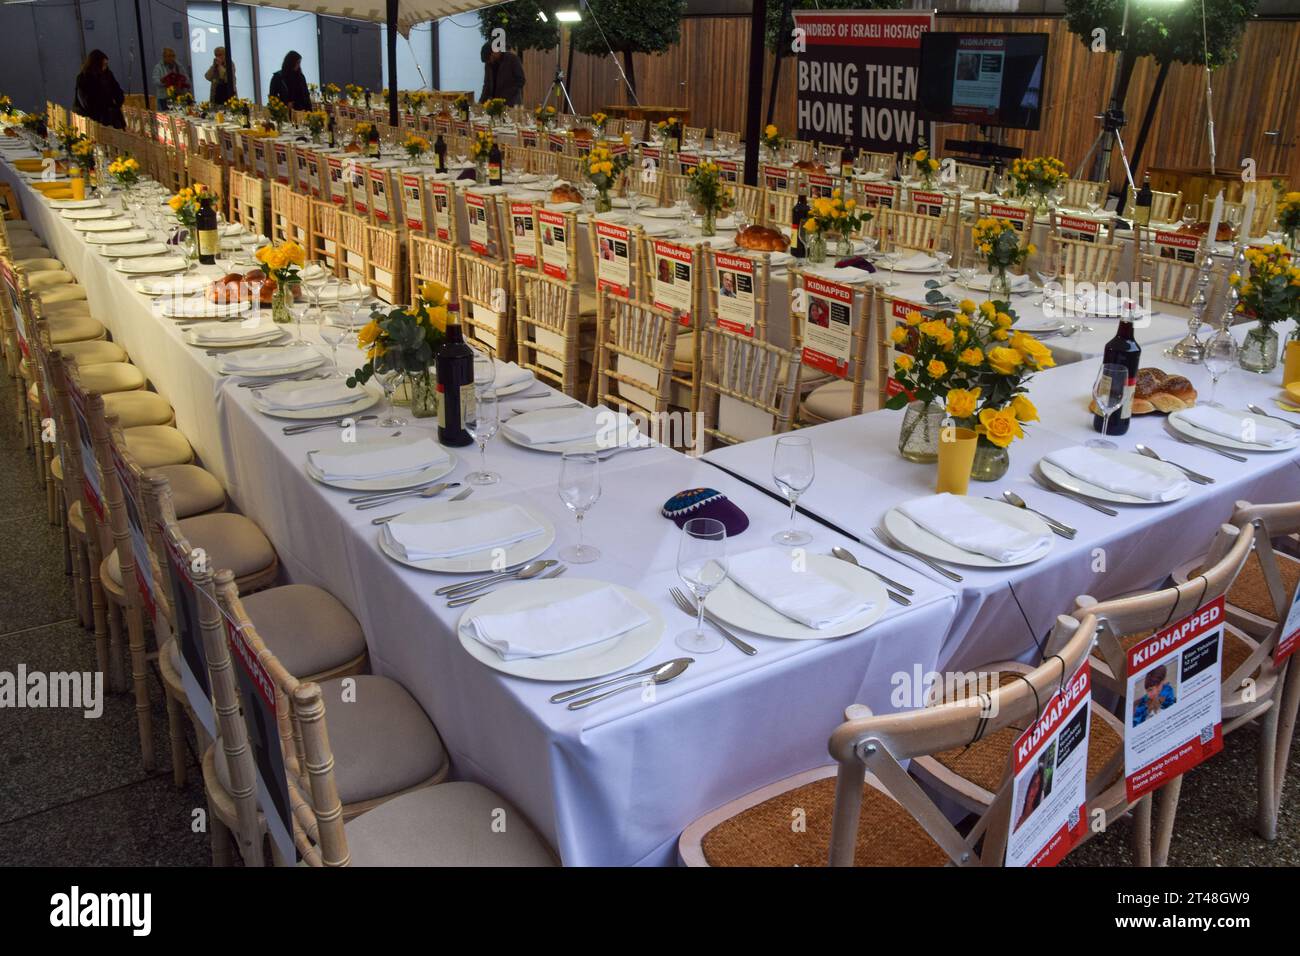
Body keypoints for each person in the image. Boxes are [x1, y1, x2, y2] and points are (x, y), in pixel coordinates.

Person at [73, 49, 125, 129]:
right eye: (103, 64)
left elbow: (116, 89)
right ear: (96, 64)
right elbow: (86, 101)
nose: (105, 67)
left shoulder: (107, 74)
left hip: (111, 115)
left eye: (106, 64)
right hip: (95, 118)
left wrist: (118, 100)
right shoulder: (83, 78)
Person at [479, 41, 525, 107]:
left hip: (511, 103)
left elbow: (521, 80)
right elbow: (487, 85)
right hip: (495, 104)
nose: (489, 62)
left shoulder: (512, 59)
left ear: (494, 51)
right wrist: (481, 102)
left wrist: (507, 95)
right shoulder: (488, 64)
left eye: (490, 59)